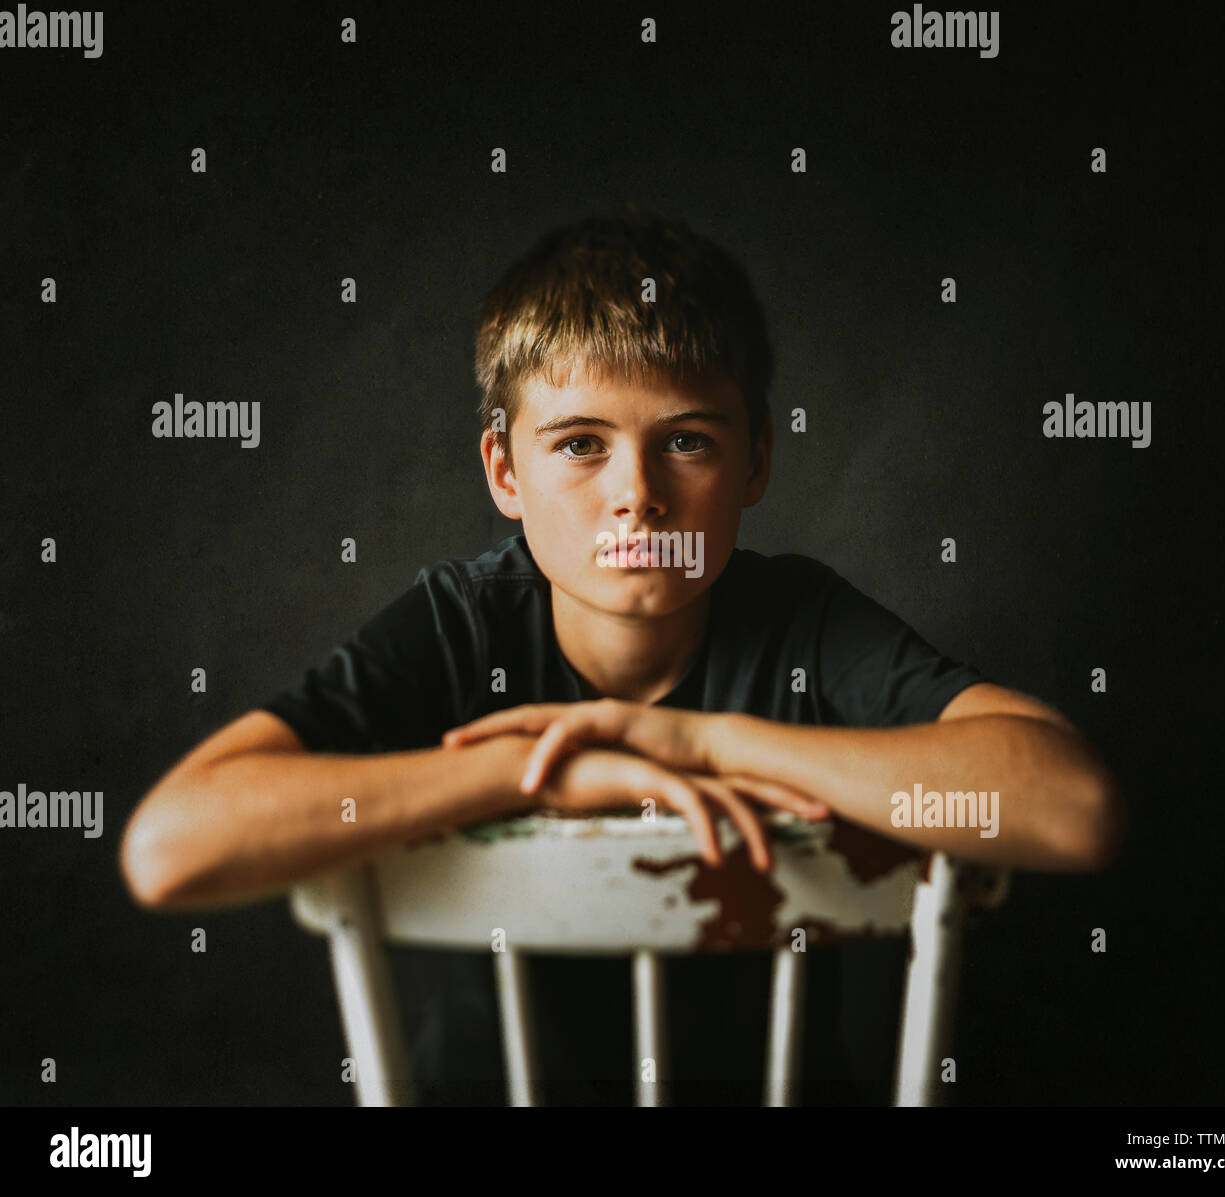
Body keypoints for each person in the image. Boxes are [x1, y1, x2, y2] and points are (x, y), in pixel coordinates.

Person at [120, 209, 1124, 1105]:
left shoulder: (798, 624)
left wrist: (693, 739)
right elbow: (171, 849)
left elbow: (1069, 811)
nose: (635, 493)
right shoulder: (464, 625)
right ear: (505, 471)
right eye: (579, 444)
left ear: (756, 461)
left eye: (685, 440)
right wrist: (539, 770)